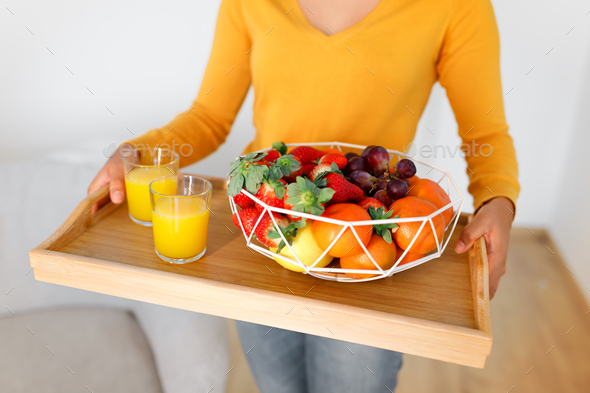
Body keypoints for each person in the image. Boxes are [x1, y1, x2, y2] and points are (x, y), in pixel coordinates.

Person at [88, 0, 519, 391]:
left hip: (366, 251)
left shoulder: (458, 6)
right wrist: (140, 153)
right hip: (269, 237)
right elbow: (209, 118)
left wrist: (497, 199)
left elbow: (484, 132)